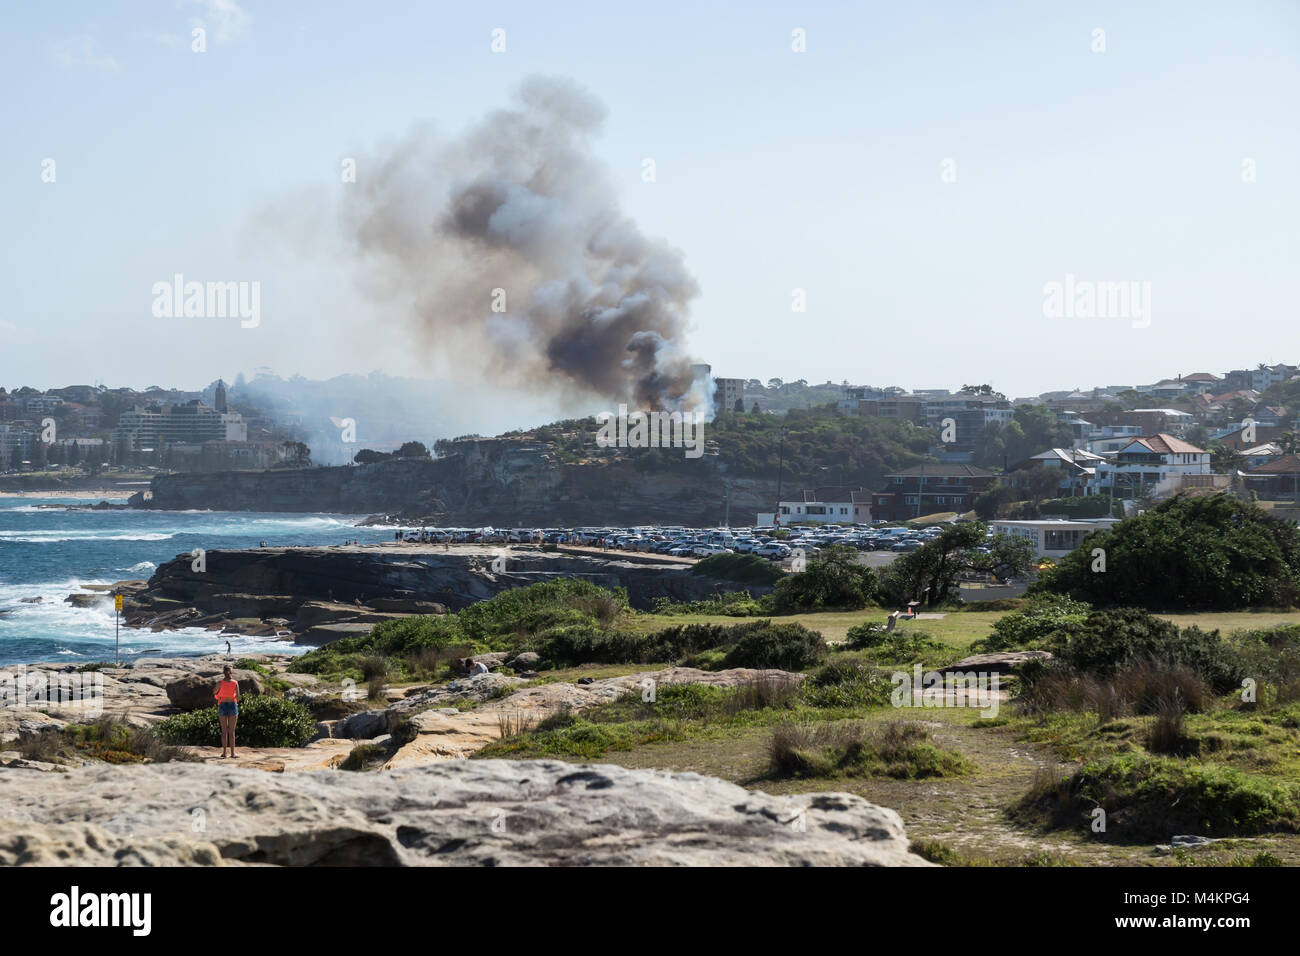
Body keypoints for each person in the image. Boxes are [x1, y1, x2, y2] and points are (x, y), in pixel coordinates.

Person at [213, 665, 240, 758]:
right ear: (231, 672)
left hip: (223, 705)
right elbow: (238, 696)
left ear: (223, 672)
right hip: (232, 705)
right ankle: (232, 753)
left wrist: (220, 695)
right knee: (231, 732)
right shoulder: (235, 682)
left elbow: (214, 692)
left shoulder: (220, 683)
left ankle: (224, 753)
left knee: (224, 731)